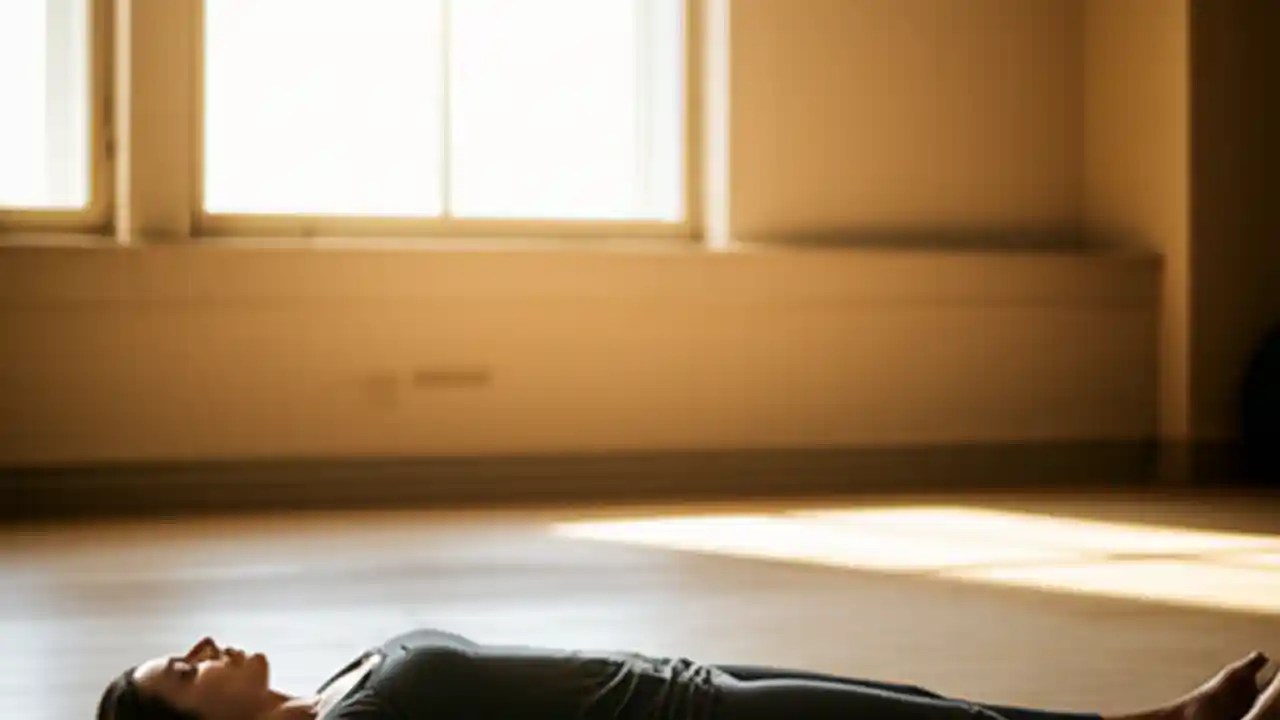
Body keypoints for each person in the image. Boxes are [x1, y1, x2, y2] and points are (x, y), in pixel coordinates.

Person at [97, 628, 1278, 720]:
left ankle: (1156, 719)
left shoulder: (340, 685)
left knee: (926, 707)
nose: (205, 647)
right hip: (693, 717)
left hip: (690, 673)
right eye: (181, 672)